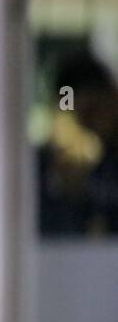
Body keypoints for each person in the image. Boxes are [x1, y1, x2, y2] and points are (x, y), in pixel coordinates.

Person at [38, 50, 118, 237]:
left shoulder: (109, 161)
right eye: (79, 116)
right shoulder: (50, 165)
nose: (88, 124)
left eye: (93, 111)